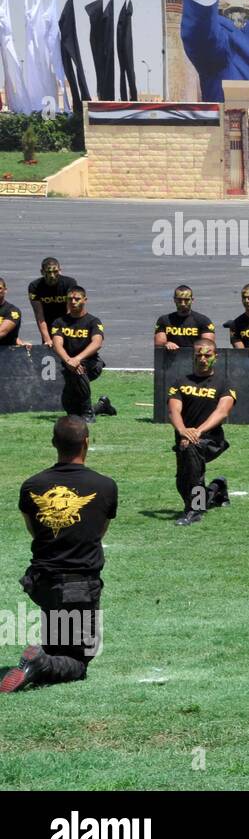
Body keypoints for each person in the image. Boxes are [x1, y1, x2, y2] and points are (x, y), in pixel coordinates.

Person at [4, 417, 117, 692]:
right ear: (87, 442)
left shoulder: (32, 485)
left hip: (43, 583)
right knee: (79, 661)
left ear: (54, 443)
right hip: (80, 585)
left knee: (60, 644)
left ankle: (43, 657)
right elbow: (98, 532)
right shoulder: (105, 486)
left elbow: (34, 530)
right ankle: (40, 661)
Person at [167, 339, 235, 526]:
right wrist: (183, 431)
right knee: (182, 482)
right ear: (193, 357)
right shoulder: (181, 382)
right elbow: (174, 411)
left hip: (210, 440)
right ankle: (217, 487)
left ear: (215, 357)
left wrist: (197, 432)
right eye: (199, 355)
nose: (203, 359)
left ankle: (194, 510)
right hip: (184, 439)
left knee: (193, 473)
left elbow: (221, 413)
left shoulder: (224, 384)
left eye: (207, 355)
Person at [50, 287, 113, 422]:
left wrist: (77, 359)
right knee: (72, 413)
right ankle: (102, 405)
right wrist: (68, 360)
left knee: (79, 370)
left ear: (85, 300)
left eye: (77, 299)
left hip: (92, 364)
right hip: (69, 365)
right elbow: (57, 344)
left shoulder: (93, 321)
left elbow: (97, 343)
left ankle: (88, 414)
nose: (73, 302)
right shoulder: (59, 322)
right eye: (70, 299)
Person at [27, 257, 79, 348]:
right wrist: (47, 339)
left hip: (68, 321)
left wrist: (66, 333)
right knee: (49, 347)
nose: (52, 276)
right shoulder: (34, 287)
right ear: (42, 272)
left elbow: (71, 309)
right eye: (48, 272)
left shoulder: (70, 283)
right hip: (48, 322)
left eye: (55, 272)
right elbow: (39, 314)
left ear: (60, 271)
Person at [154, 285, 216, 350]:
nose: (183, 303)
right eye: (179, 300)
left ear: (192, 300)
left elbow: (209, 345)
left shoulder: (203, 321)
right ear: (174, 300)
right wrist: (166, 343)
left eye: (186, 300)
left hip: (194, 358)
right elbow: (159, 344)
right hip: (170, 358)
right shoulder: (164, 320)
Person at [0, 278, 30, 348]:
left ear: (5, 290)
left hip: (7, 353)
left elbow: (1, 332)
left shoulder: (12, 311)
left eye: (0, 288)